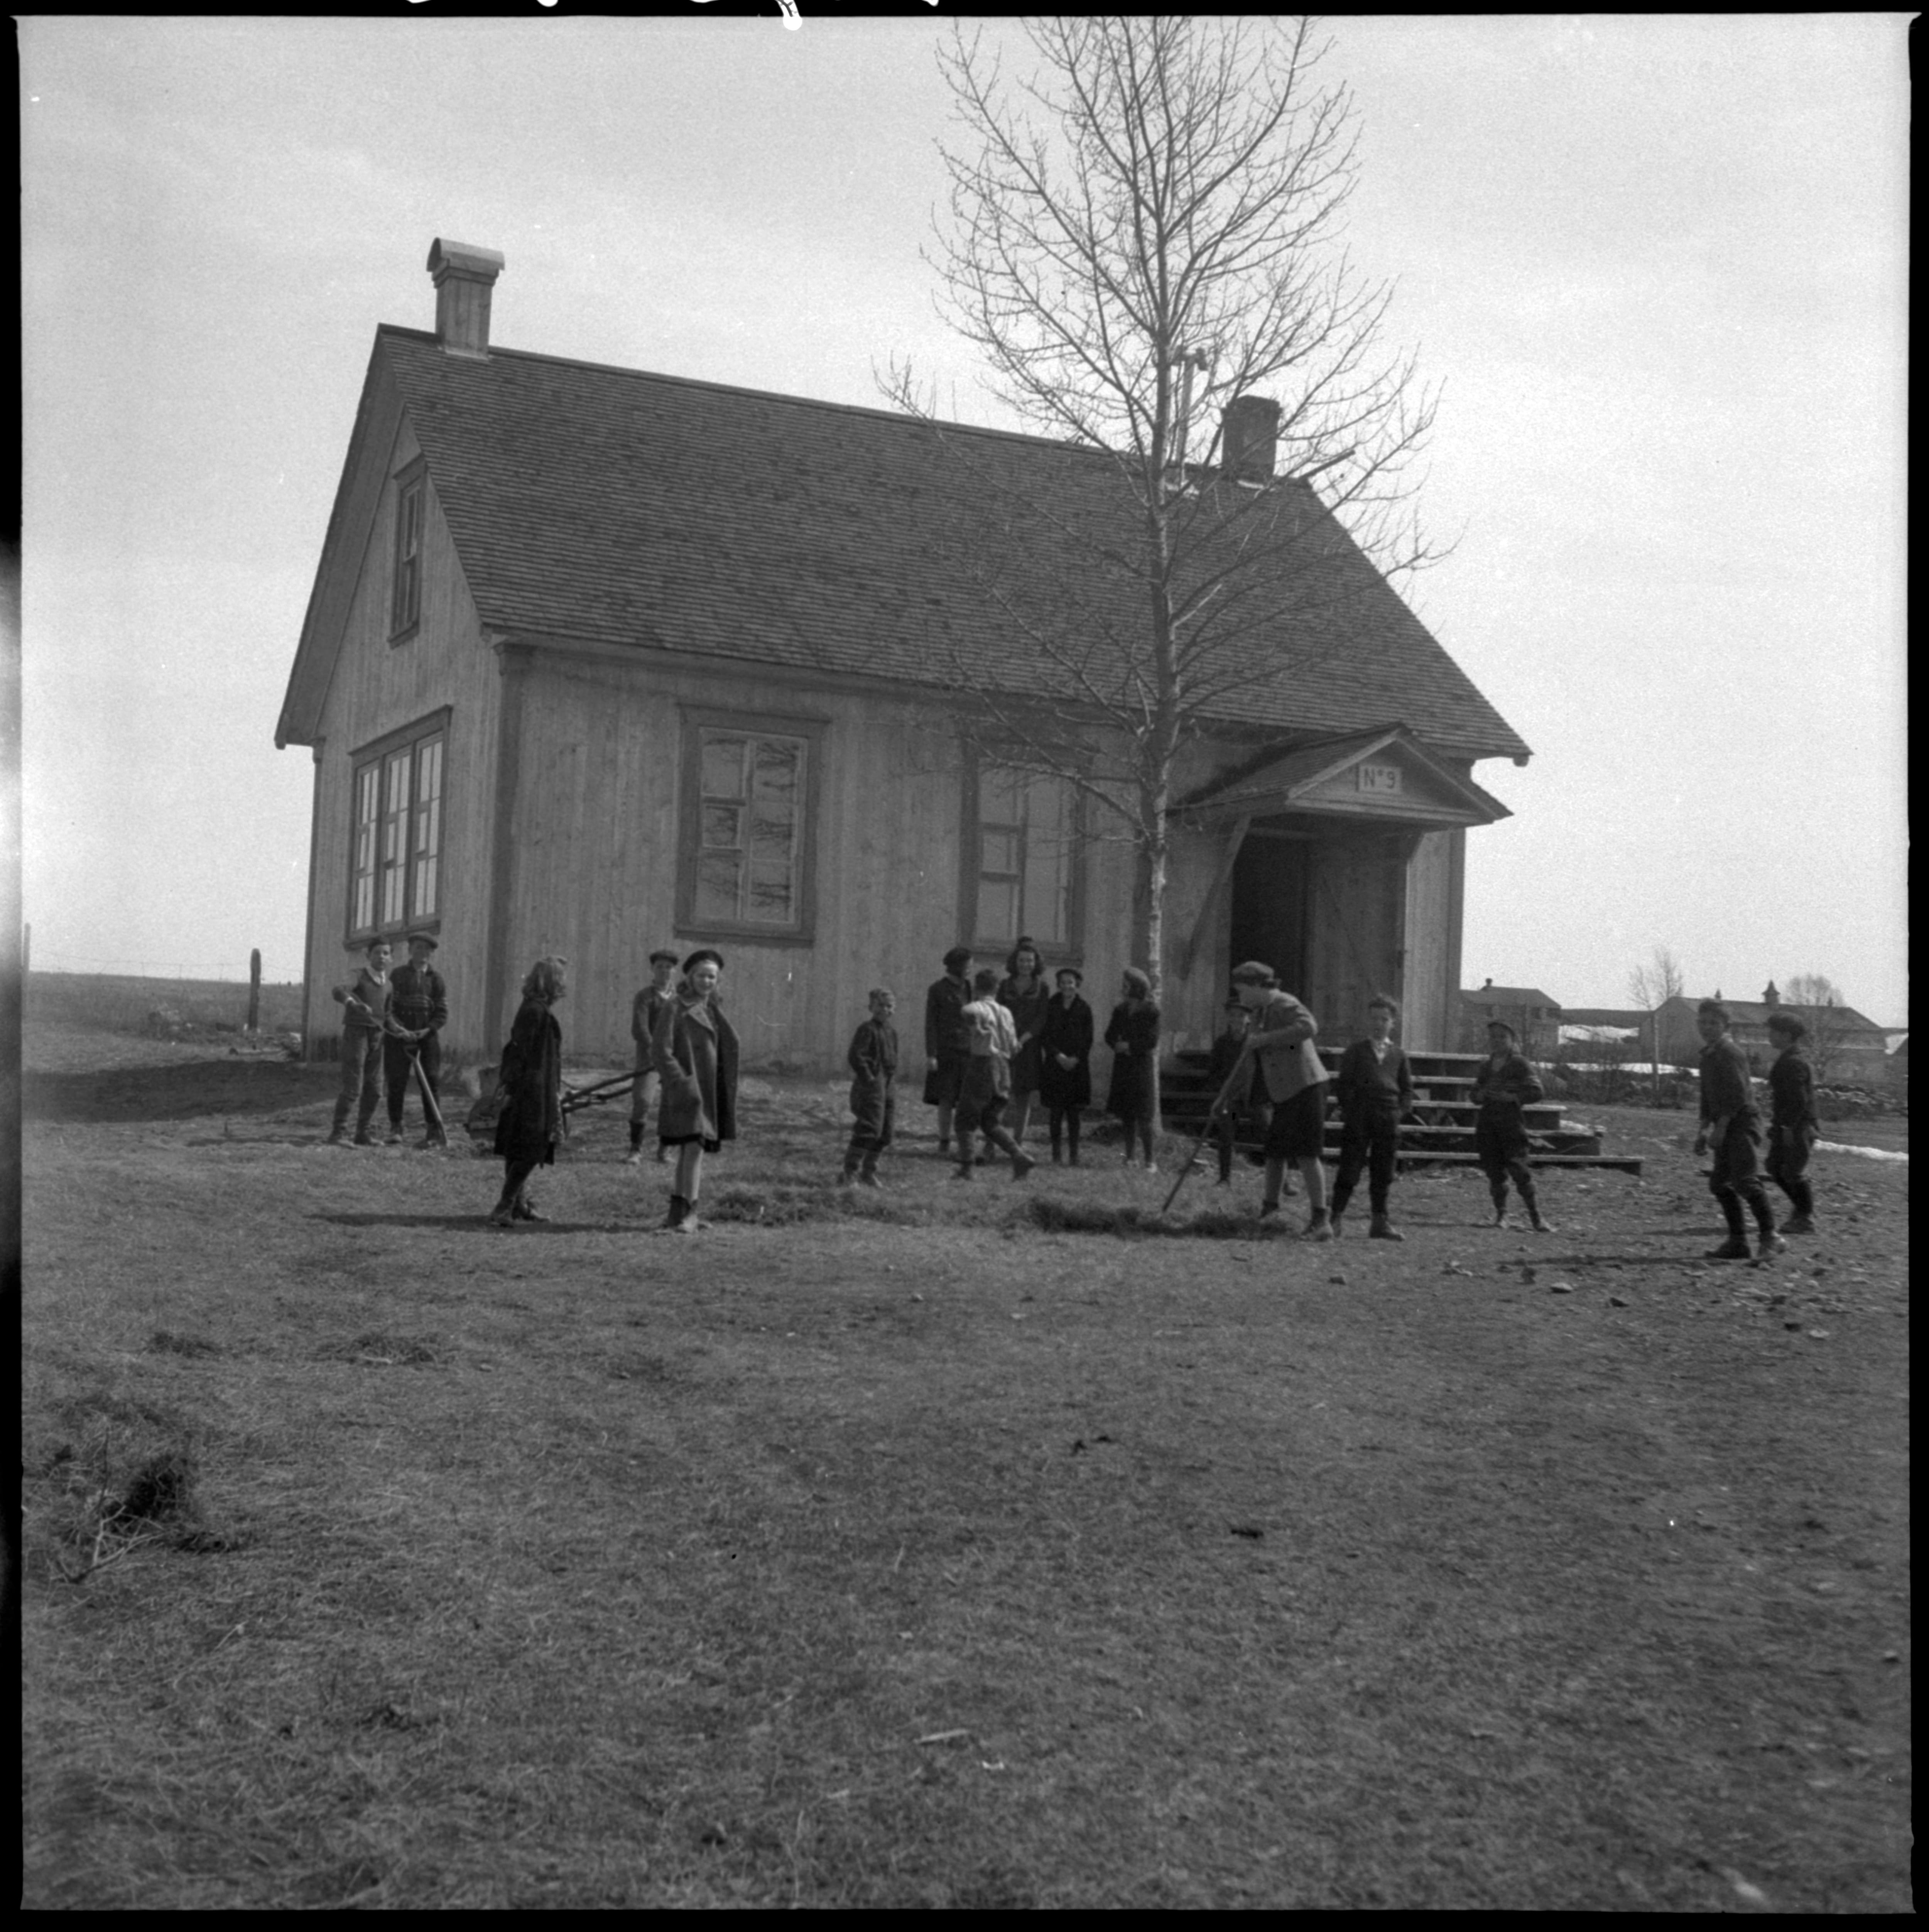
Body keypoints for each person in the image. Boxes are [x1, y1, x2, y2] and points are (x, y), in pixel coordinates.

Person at [1223, 961, 1333, 1237]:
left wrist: (1266, 1039)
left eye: (1244, 990)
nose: (1241, 998)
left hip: (1307, 1086)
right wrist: (1223, 1098)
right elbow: (1246, 1064)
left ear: (1260, 987)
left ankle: (1321, 1220)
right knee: (1275, 1152)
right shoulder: (1258, 1015)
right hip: (1284, 1092)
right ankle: (1269, 1211)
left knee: (1307, 1154)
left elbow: (1309, 1027)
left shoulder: (1284, 1003)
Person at [654, 948, 740, 1233]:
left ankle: (678, 1213)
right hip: (690, 1090)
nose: (707, 981)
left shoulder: (712, 1009)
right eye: (701, 976)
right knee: (693, 1149)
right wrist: (681, 1082)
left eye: (712, 977)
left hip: (710, 1090)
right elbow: (661, 1051)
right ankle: (689, 1214)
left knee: (692, 1150)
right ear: (689, 978)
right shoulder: (676, 1007)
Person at [1694, 1000, 1781, 1261]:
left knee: (1745, 1181)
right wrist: (1702, 1129)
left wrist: (1720, 1129)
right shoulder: (1709, 1055)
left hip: (1741, 1124)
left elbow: (1737, 1095)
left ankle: (1771, 1237)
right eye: (1703, 1022)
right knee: (1720, 1183)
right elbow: (1708, 1098)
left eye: (1714, 1023)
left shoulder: (1730, 1053)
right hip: (1725, 1124)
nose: (1707, 1028)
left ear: (1725, 1026)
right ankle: (1738, 1242)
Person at [490, 956, 569, 1225]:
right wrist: (511, 1088)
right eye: (560, 980)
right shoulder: (535, 1011)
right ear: (551, 982)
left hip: (538, 1085)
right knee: (532, 1147)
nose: (563, 986)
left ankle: (518, 1205)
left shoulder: (537, 1009)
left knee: (521, 1146)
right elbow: (518, 1052)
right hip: (531, 1089)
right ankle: (504, 1206)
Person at [1329, 996, 1415, 1240]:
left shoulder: (1399, 1055)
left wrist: (1399, 1113)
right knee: (1350, 1168)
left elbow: (1407, 1089)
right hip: (1360, 1118)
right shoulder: (1356, 1052)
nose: (1379, 1024)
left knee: (1383, 1171)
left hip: (1388, 1118)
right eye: (1374, 1019)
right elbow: (1343, 1086)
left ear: (1393, 1023)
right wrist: (1353, 1110)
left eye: (1384, 1019)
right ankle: (1335, 1218)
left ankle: (1380, 1222)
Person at [1471, 1019, 1553, 1233]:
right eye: (1493, 1037)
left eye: (1502, 1037)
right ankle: (1502, 1215)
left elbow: (1538, 1092)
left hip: (1511, 1123)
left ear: (1512, 1040)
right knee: (1494, 1171)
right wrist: (1479, 1095)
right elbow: (1474, 1094)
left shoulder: (1519, 1064)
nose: (1497, 1041)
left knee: (1520, 1170)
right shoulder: (1486, 1066)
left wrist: (1513, 1097)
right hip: (1488, 1123)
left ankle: (1537, 1218)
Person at [955, 967, 1036, 1181]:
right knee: (990, 1122)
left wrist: (977, 1028)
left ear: (976, 988)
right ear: (997, 988)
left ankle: (967, 1169)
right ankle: (1020, 1157)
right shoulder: (1006, 1013)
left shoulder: (979, 1007)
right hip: (1004, 1068)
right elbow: (1014, 1045)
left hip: (983, 1065)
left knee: (965, 1119)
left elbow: (968, 1011)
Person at [1204, 997, 1279, 1189]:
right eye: (1233, 1016)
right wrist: (1223, 1093)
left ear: (1248, 1019)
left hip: (1255, 1094)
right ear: (1228, 1019)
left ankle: (1281, 1180)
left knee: (1270, 1134)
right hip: (1231, 1096)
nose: (1237, 1019)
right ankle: (1224, 1178)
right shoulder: (1222, 1043)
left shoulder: (1255, 1042)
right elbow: (1214, 1072)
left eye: (1241, 1016)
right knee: (1226, 1136)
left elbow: (1266, 1067)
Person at [383, 932, 449, 1148]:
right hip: (399, 1038)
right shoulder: (398, 975)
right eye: (418, 948)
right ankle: (396, 1127)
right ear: (411, 950)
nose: (423, 953)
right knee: (397, 1082)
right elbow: (389, 1008)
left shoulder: (436, 979)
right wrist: (398, 1029)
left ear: (432, 954)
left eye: (427, 950)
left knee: (431, 1081)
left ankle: (433, 1129)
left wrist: (427, 1030)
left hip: (426, 1038)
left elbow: (441, 1013)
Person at [327, 937, 393, 1145]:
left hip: (378, 1037)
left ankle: (363, 1133)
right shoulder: (358, 976)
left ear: (391, 958)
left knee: (375, 1089)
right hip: (357, 1034)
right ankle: (338, 1134)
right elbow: (339, 991)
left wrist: (401, 1030)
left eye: (386, 953)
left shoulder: (389, 985)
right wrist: (353, 1004)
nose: (381, 957)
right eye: (377, 953)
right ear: (369, 956)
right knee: (353, 1087)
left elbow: (388, 1015)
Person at [1764, 1012, 1819, 1235]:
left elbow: (1798, 1100)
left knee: (1792, 1171)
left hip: (1797, 1126)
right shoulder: (1789, 1058)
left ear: (1786, 1035)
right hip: (1790, 1125)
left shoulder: (1793, 1062)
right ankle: (1802, 1211)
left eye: (1773, 1032)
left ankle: (1805, 1217)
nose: (1769, 1036)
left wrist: (1787, 1127)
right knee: (1775, 1167)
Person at [624, 950, 679, 1165]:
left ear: (674, 971)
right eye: (660, 967)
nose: (664, 971)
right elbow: (640, 1030)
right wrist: (657, 1053)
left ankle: (665, 1150)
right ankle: (635, 1150)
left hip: (674, 1060)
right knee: (642, 1101)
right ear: (653, 970)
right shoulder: (645, 996)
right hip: (649, 1060)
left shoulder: (680, 998)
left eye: (668, 967)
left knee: (673, 1103)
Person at [841, 988, 900, 1188]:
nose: (885, 1010)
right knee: (869, 1129)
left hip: (888, 1084)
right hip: (871, 1086)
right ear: (871, 1008)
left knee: (886, 1132)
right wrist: (870, 1078)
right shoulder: (867, 1029)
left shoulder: (891, 1032)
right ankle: (850, 1173)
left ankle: (869, 1172)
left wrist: (889, 1081)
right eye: (880, 1006)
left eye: (889, 1006)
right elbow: (856, 1056)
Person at [1105, 968, 1162, 1169]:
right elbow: (1109, 1035)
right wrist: (1116, 1044)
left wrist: (1130, 1046)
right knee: (1128, 1115)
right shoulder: (1120, 1011)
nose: (1123, 988)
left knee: (1144, 1116)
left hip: (1141, 1067)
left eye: (1127, 985)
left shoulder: (1151, 1012)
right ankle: (1130, 1157)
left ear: (1136, 988)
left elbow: (1152, 1040)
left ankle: (1150, 1160)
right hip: (1123, 1067)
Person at [1037, 966, 1095, 1165]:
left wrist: (1076, 1058)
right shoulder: (1051, 1005)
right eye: (1063, 983)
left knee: (1074, 1114)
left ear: (1077, 985)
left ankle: (1074, 1154)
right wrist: (1058, 1056)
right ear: (1059, 985)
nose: (1067, 986)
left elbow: (1088, 1038)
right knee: (1056, 1112)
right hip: (1056, 1066)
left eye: (1070, 983)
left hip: (1076, 1068)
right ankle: (1056, 1154)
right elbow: (1045, 1035)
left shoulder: (1084, 1008)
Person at [997, 937, 1052, 1147]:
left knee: (1023, 1097)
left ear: (1036, 963)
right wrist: (1010, 1039)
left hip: (1029, 1047)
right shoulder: (1005, 985)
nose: (1026, 965)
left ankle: (1017, 1142)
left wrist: (1023, 1039)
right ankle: (993, 1141)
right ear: (1015, 962)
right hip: (1005, 1045)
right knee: (1001, 1095)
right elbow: (1000, 1013)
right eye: (1022, 960)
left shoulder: (1042, 987)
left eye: (1030, 961)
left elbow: (1041, 1018)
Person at [923, 946, 975, 1155]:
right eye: (967, 966)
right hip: (946, 1051)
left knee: (966, 1099)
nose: (970, 970)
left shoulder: (970, 988)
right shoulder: (938, 990)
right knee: (946, 1099)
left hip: (968, 1051)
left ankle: (964, 1142)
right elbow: (931, 1024)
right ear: (957, 967)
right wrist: (931, 1054)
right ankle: (944, 1140)